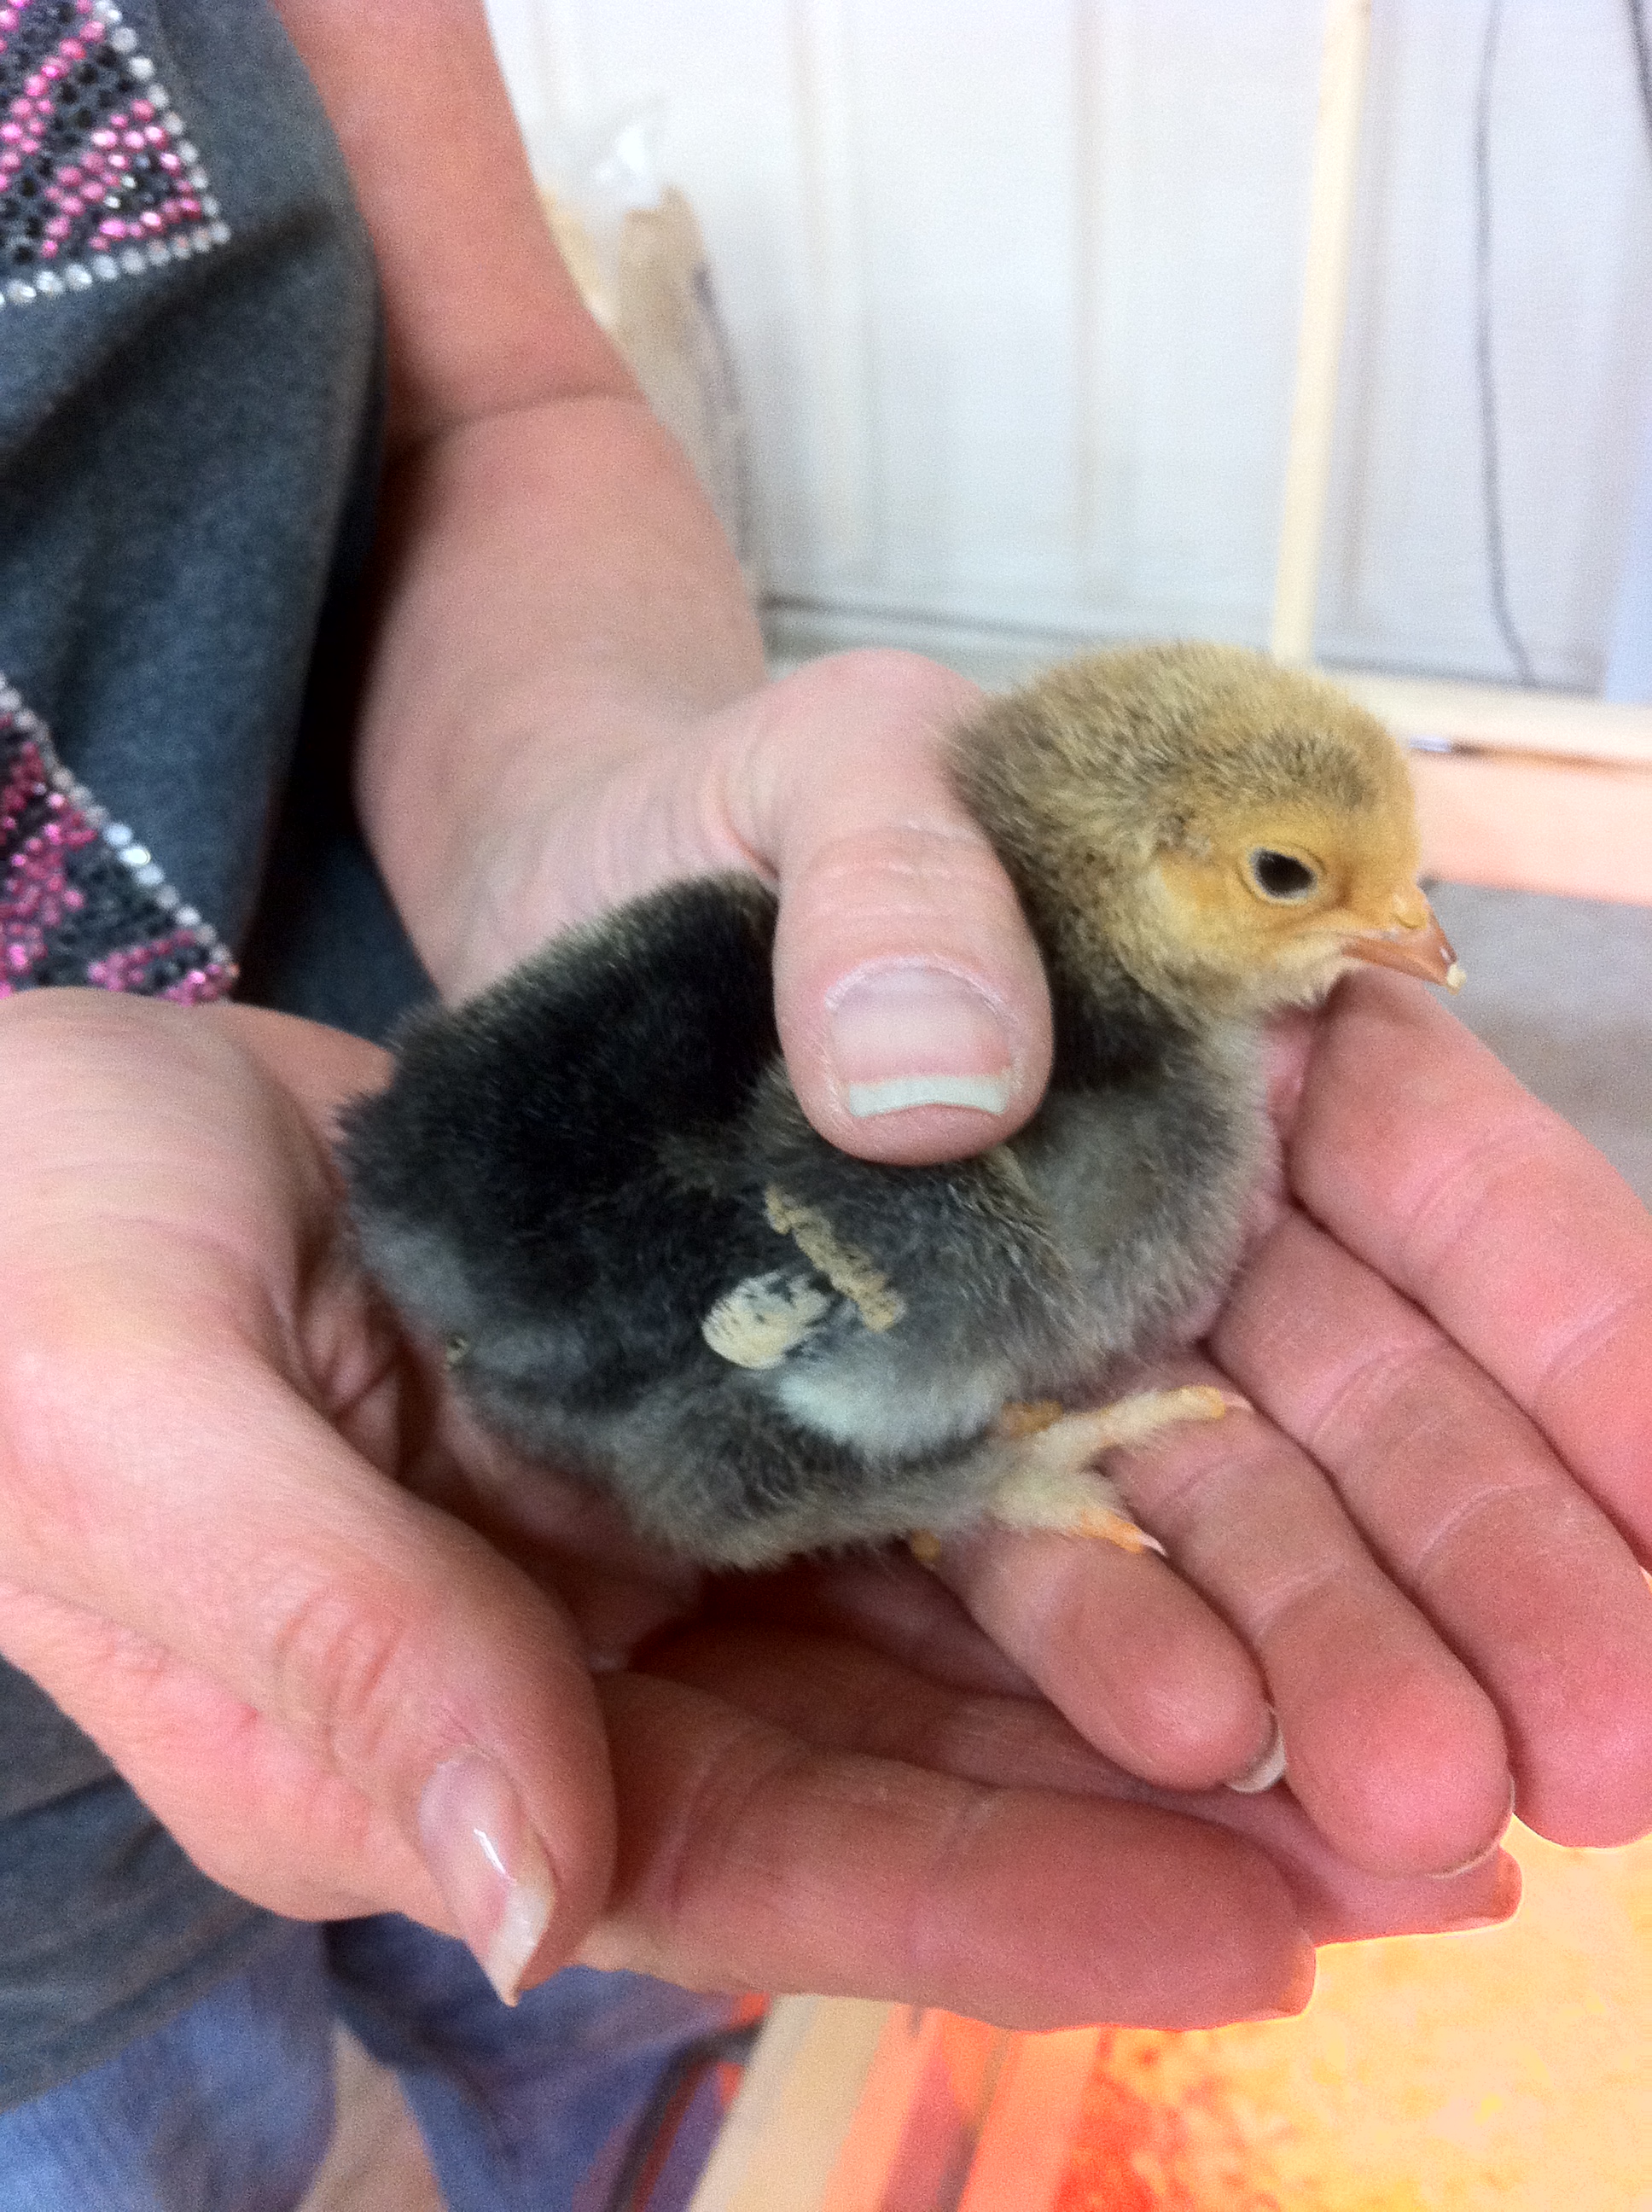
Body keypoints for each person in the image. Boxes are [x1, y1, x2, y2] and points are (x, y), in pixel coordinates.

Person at [1, 2, 1648, 2205]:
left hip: (404, 1155)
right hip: (40, 1876)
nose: (1394, 938)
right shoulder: (1051, 1155)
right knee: (164, 2140)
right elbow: (805, 1332)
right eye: (1300, 888)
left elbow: (492, 404)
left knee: (629, 2009)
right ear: (1152, 882)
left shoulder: (1004, 1017)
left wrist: (581, 795)